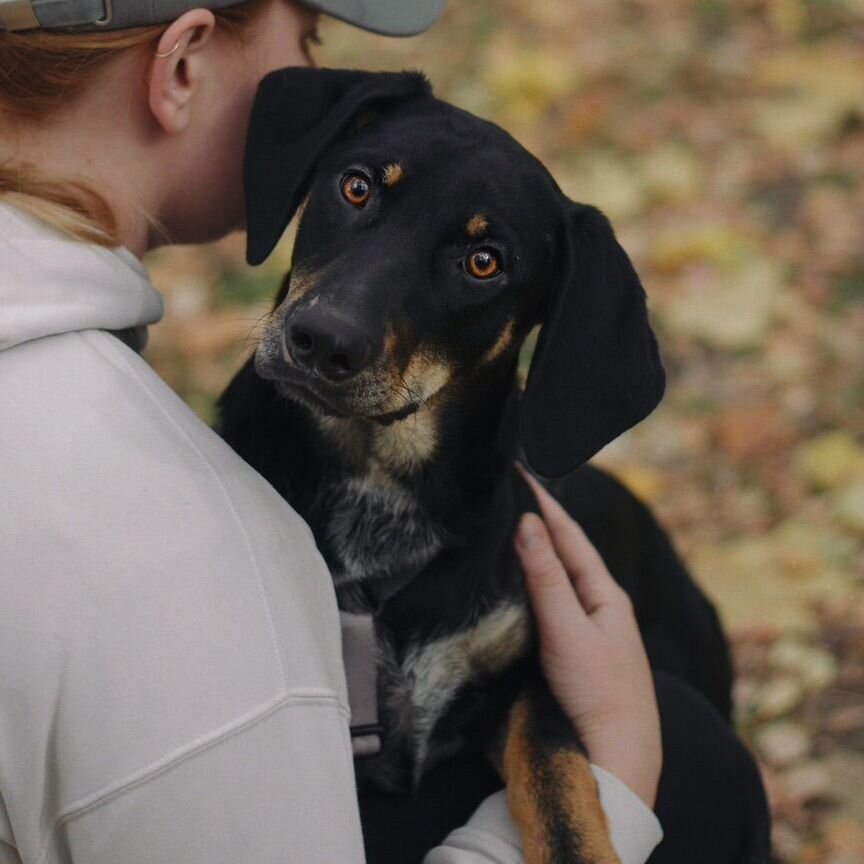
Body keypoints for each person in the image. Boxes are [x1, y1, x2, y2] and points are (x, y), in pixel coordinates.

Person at [0, 1, 769, 862]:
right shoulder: (202, 551)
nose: (338, 321)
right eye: (358, 191)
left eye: (482, 263)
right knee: (697, 767)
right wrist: (623, 767)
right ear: (183, 60)